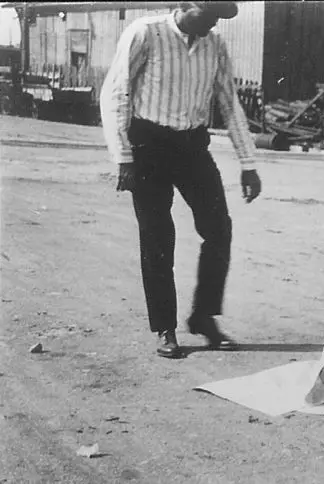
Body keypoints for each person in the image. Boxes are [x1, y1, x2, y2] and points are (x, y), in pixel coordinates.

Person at [99, 2, 262, 359]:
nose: (214, 23)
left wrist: (248, 162)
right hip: (148, 148)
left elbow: (229, 102)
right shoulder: (145, 33)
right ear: (187, 5)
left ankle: (203, 317)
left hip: (192, 147)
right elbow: (116, 93)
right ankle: (165, 327)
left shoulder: (214, 44)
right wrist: (123, 156)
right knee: (157, 236)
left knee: (218, 228)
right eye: (209, 16)